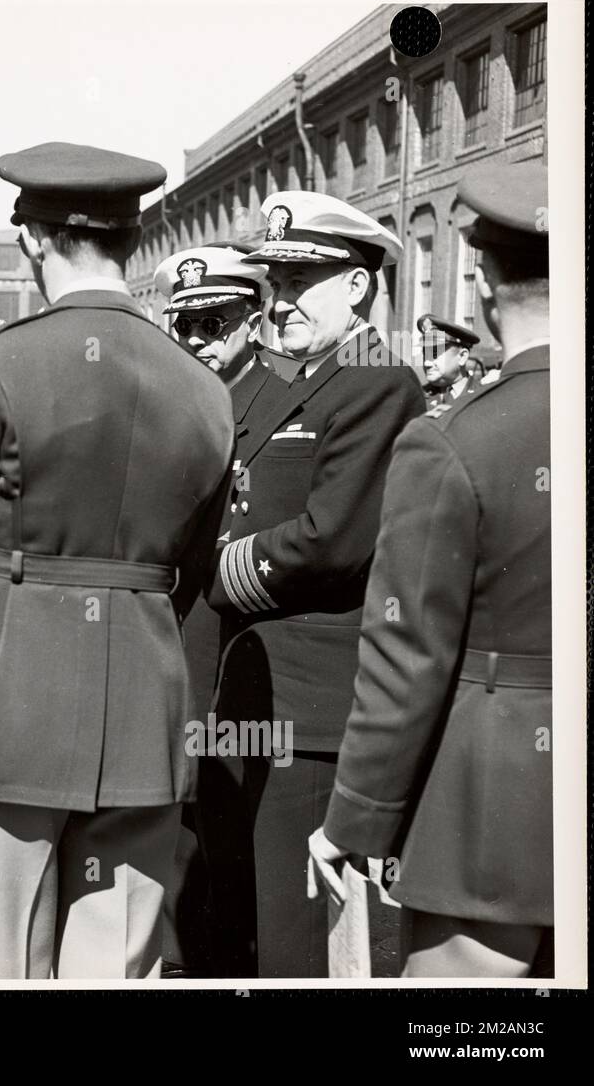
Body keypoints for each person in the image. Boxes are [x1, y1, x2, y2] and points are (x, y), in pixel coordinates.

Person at [0, 142, 235, 979]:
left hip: (5, 701)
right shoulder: (206, 390)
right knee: (114, 963)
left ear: (35, 242)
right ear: (131, 240)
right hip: (141, 713)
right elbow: (190, 572)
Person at [309, 162, 552, 978]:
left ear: (483, 285)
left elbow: (405, 656)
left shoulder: (454, 442)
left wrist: (354, 820)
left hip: (490, 807)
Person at [198, 190, 426, 978]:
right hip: (242, 691)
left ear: (358, 286)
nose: (280, 300)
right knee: (232, 917)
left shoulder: (378, 382)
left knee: (294, 933)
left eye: (301, 282)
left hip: (311, 706)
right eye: (273, 283)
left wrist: (215, 572)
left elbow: (333, 541)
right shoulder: (277, 379)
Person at [151, 243, 287, 975]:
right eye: (188, 326)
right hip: (174, 621)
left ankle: (234, 951)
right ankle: (178, 949)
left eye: (219, 322)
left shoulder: (282, 396)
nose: (201, 341)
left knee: (233, 800)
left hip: (245, 628)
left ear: (254, 320)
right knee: (175, 794)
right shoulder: (166, 397)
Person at [418, 313, 483, 408]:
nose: (426, 363)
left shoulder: (483, 395)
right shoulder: (417, 397)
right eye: (425, 354)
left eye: (434, 354)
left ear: (462, 357)